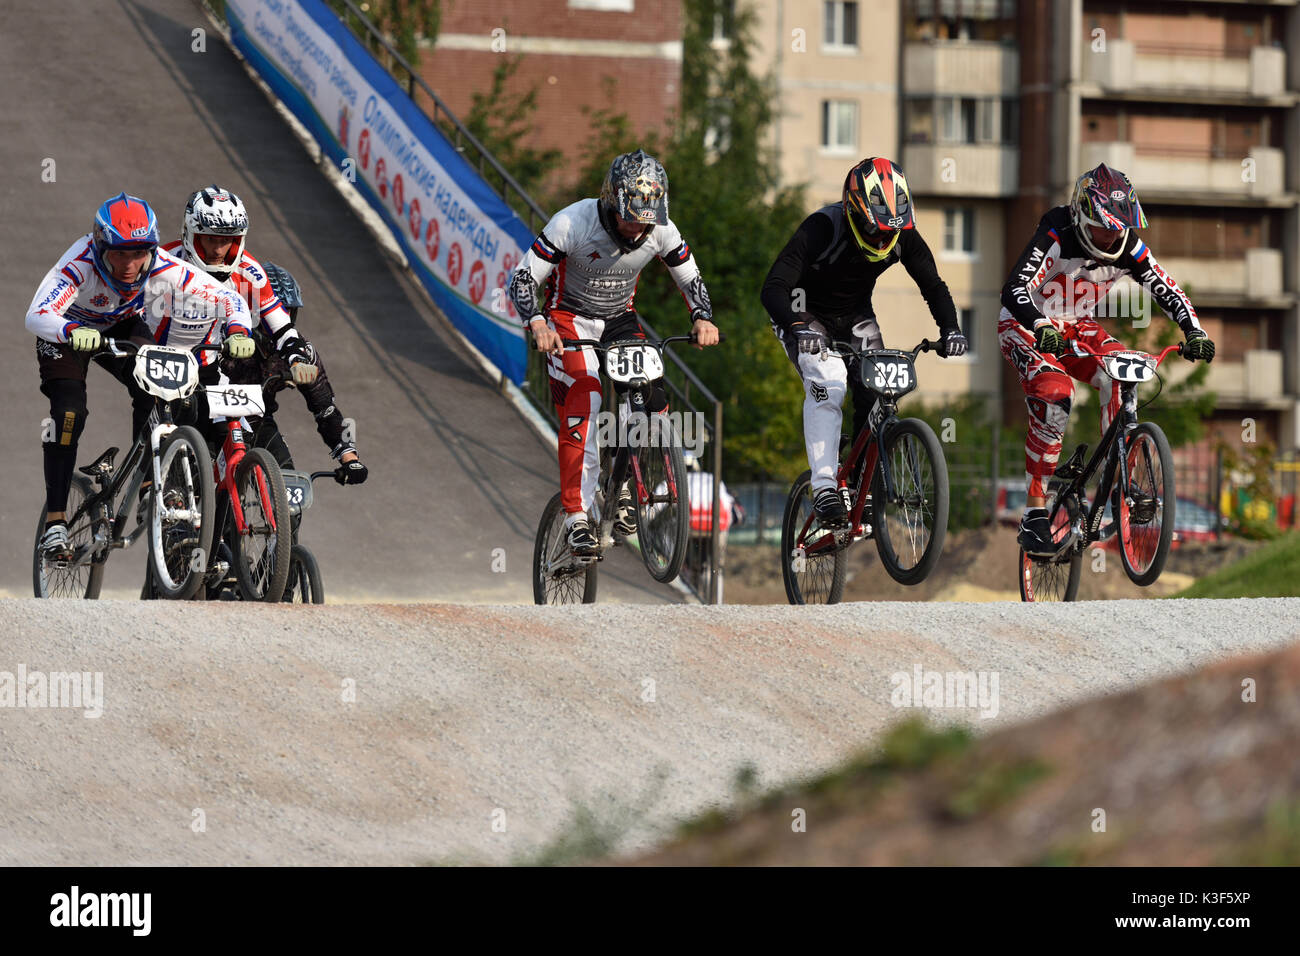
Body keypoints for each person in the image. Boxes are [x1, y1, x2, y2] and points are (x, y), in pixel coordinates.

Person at [510, 149, 720, 555]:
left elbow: (689, 275)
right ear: (611, 201)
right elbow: (522, 277)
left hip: (619, 318)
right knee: (585, 400)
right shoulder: (573, 222)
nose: (637, 229)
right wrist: (536, 322)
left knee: (651, 400)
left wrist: (702, 317)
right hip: (567, 319)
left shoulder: (661, 229)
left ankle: (623, 481)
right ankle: (575, 517)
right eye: (630, 217)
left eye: (647, 220)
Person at [999, 162, 1215, 555]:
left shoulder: (1128, 245)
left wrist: (1193, 330)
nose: (1112, 236)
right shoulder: (1056, 231)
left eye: (1119, 227)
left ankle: (1121, 480)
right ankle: (1034, 512)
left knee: (1124, 367)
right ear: (1081, 214)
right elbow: (1013, 289)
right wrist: (1040, 324)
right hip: (1026, 324)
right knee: (1055, 394)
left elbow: (1167, 289)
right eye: (1103, 227)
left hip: (1077, 327)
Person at [27, 192, 252, 562]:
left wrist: (240, 331)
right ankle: (56, 523)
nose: (130, 264)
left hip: (120, 326)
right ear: (100, 248)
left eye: (138, 253)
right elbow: (36, 314)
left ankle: (149, 486)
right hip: (66, 332)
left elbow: (230, 299)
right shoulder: (80, 262)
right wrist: (69, 331)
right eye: (119, 254)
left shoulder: (163, 263)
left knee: (159, 387)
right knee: (69, 413)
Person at [761, 157, 966, 529]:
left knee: (879, 387)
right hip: (803, 313)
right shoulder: (822, 227)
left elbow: (933, 286)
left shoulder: (902, 235)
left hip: (854, 317)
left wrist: (951, 329)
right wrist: (795, 326)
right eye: (875, 231)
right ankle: (824, 489)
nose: (884, 240)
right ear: (854, 211)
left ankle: (860, 489)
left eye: (892, 232)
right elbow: (773, 287)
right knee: (829, 382)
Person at [162, 184, 367, 484]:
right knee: (189, 472)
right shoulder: (222, 330)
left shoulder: (299, 352)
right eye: (261, 317)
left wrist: (349, 456)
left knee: (288, 491)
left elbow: (327, 409)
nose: (269, 327)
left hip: (257, 423)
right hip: (205, 412)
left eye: (289, 314)